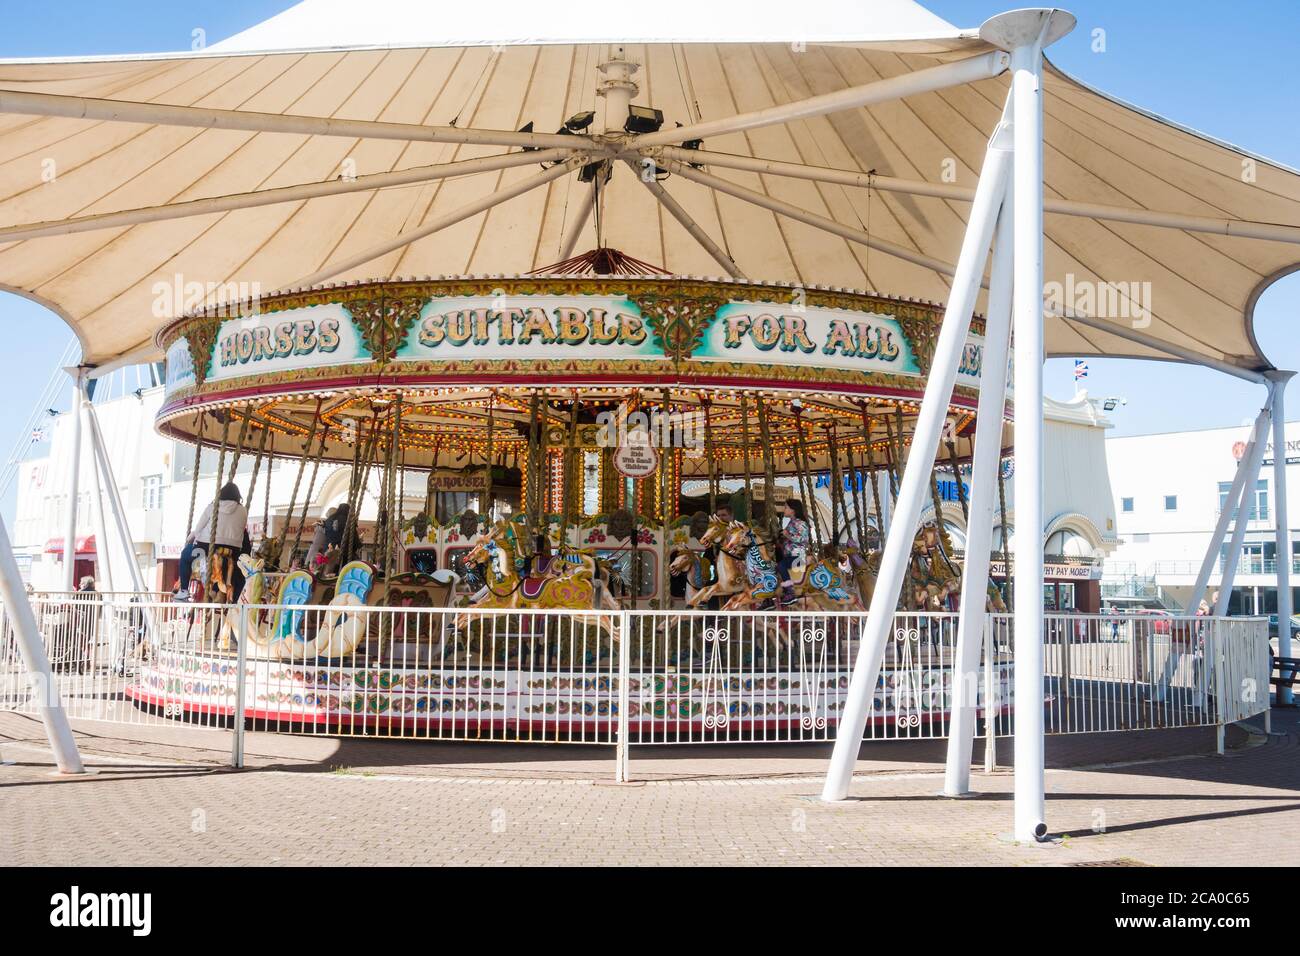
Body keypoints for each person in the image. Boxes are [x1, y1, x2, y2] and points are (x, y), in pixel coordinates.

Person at [175, 482, 249, 601]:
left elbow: (199, 528)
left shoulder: (212, 507)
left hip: (208, 546)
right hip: (232, 550)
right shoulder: (243, 510)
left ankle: (184, 590)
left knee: (185, 555)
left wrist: (192, 539)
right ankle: (223, 592)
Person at [776, 499, 810, 606]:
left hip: (797, 556)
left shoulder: (801, 523)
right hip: (789, 555)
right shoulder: (791, 523)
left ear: (793, 510)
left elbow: (803, 538)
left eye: (786, 507)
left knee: (781, 565)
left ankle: (790, 591)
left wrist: (787, 535)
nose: (784, 509)